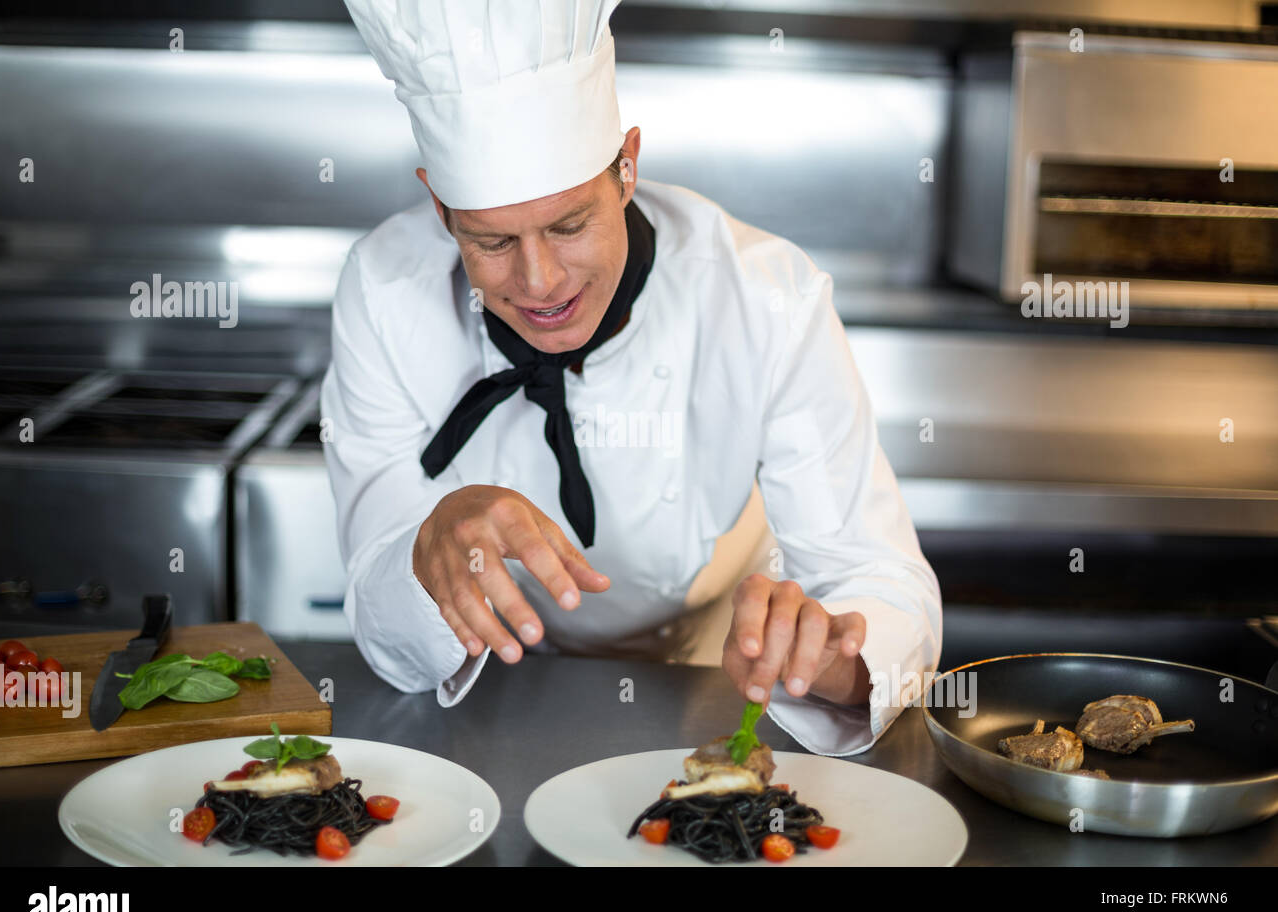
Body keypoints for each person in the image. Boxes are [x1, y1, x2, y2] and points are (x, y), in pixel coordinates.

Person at [323, 0, 942, 755]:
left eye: (569, 225)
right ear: (439, 207)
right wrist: (425, 552)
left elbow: (877, 577)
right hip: (492, 708)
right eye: (491, 241)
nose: (540, 280)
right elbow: (379, 614)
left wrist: (827, 655)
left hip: (713, 694)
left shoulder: (765, 296)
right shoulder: (383, 291)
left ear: (626, 168)